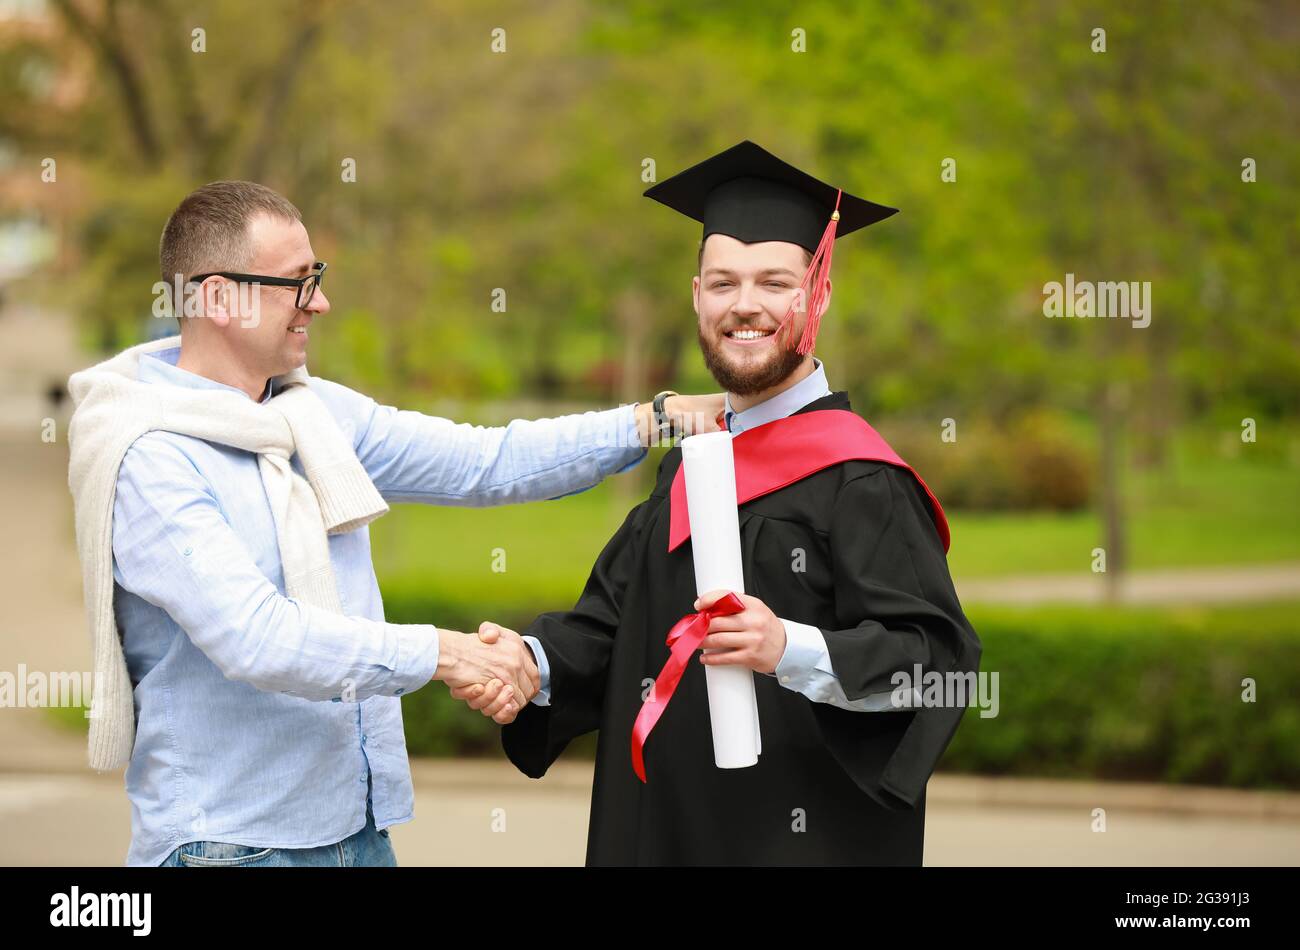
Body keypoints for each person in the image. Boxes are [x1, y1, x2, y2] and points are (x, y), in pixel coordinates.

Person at [64, 181, 724, 867]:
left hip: (357, 832)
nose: (319, 302)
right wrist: (447, 653)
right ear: (218, 296)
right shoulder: (149, 456)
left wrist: (657, 419)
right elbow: (259, 638)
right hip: (229, 849)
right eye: (298, 282)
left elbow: (483, 462)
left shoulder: (311, 414)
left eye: (315, 278)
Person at [453, 142, 982, 865]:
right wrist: (530, 661)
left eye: (773, 282)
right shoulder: (689, 469)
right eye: (723, 282)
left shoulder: (860, 479)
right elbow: (610, 627)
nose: (745, 306)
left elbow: (934, 663)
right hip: (659, 832)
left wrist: (787, 648)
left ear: (815, 294)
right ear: (697, 295)